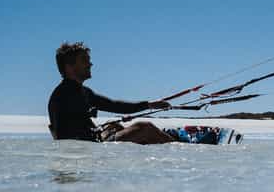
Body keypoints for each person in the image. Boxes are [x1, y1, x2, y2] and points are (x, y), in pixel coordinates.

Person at [47, 42, 178, 144]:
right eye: (84, 60)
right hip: (89, 147)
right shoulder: (66, 95)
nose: (90, 64)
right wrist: (148, 105)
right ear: (69, 66)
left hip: (91, 140)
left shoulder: (76, 90)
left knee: (113, 126)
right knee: (145, 127)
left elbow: (112, 104)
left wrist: (149, 105)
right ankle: (177, 149)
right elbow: (114, 107)